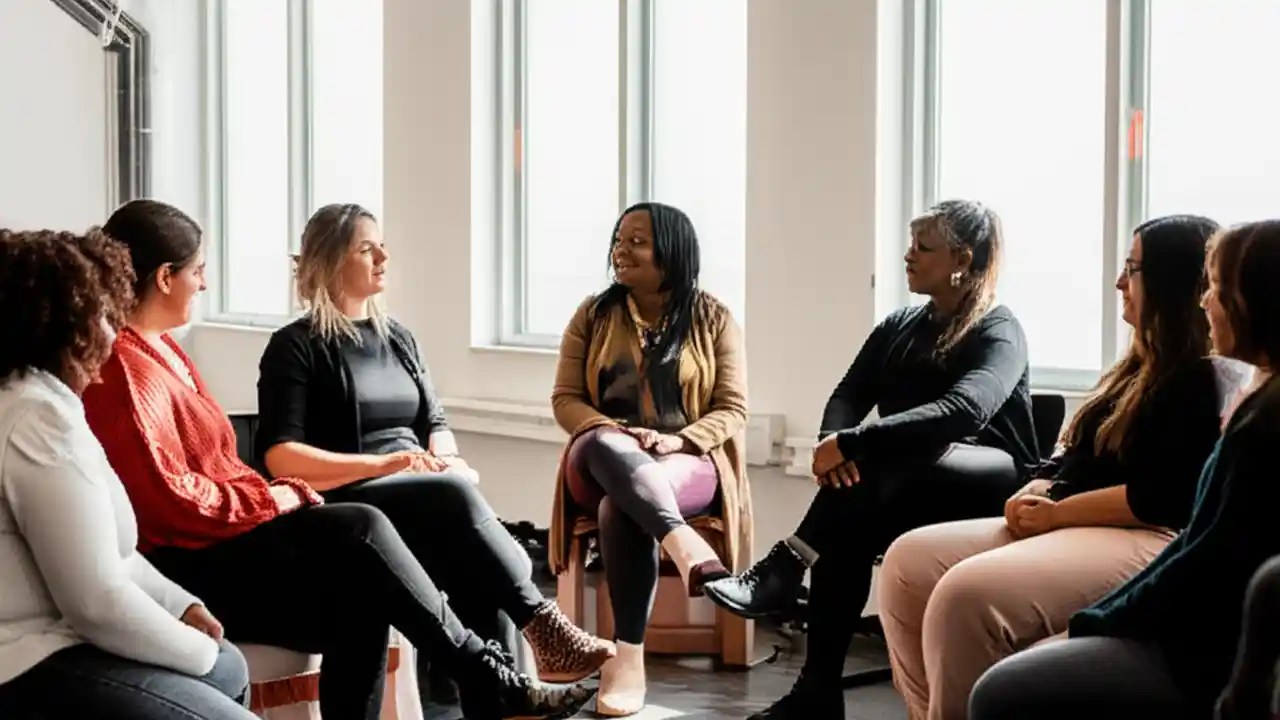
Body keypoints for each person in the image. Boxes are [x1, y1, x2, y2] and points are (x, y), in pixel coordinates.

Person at [82, 199, 596, 720]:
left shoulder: (163, 351)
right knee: (364, 528)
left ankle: (499, 681)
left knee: (366, 589)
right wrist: (280, 496)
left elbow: (218, 474)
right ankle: (496, 674)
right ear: (165, 278)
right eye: (198, 271)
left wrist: (276, 496)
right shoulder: (127, 370)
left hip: (235, 536)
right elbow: (176, 501)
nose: (205, 284)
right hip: (196, 564)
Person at [876, 215, 1227, 720]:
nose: (1119, 282)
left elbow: (1163, 497)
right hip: (1077, 518)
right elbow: (1074, 452)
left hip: (1147, 532)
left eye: (1132, 269)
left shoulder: (1202, 378)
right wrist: (1041, 483)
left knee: (966, 595)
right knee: (907, 563)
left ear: (1169, 282)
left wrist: (1058, 514)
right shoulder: (1134, 367)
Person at [254, 202, 614, 690]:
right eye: (367, 249)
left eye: (382, 245)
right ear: (331, 259)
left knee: (477, 571)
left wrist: (445, 460)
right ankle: (543, 628)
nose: (383, 257)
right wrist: (387, 465)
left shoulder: (398, 338)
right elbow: (280, 457)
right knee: (458, 507)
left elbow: (435, 422)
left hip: (420, 491)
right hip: (350, 499)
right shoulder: (294, 345)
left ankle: (508, 695)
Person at [703, 199, 1039, 719]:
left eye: (923, 247)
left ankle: (786, 567)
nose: (908, 255)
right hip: (901, 481)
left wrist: (855, 444)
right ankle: (815, 693)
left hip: (989, 478)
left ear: (961, 259)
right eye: (910, 244)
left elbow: (964, 411)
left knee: (874, 469)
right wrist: (833, 446)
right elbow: (849, 394)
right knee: (848, 523)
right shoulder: (900, 324)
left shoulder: (999, 329)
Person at [967, 219, 1280, 720]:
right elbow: (1196, 544)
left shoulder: (1256, 421)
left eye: (1218, 288)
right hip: (1194, 628)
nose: (1205, 301)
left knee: (998, 691)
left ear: (1255, 302)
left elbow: (1200, 561)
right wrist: (1097, 616)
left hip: (1205, 655)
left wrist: (1096, 623)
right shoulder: (1252, 401)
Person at [0, 229, 254, 719]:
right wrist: (196, 650)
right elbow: (94, 602)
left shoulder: (49, 402)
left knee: (229, 667)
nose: (114, 331)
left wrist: (181, 605)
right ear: (66, 325)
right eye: (104, 315)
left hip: (67, 645)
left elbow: (114, 551)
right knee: (218, 666)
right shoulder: (35, 418)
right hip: (30, 661)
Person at [549, 202, 751, 716]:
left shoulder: (713, 318)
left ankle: (628, 661)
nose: (622, 250)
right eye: (619, 240)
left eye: (637, 241)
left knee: (622, 509)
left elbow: (732, 408)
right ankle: (681, 542)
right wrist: (620, 434)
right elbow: (566, 400)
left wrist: (680, 441)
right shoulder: (593, 315)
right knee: (602, 446)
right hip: (598, 458)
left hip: (683, 460)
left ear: (672, 249)